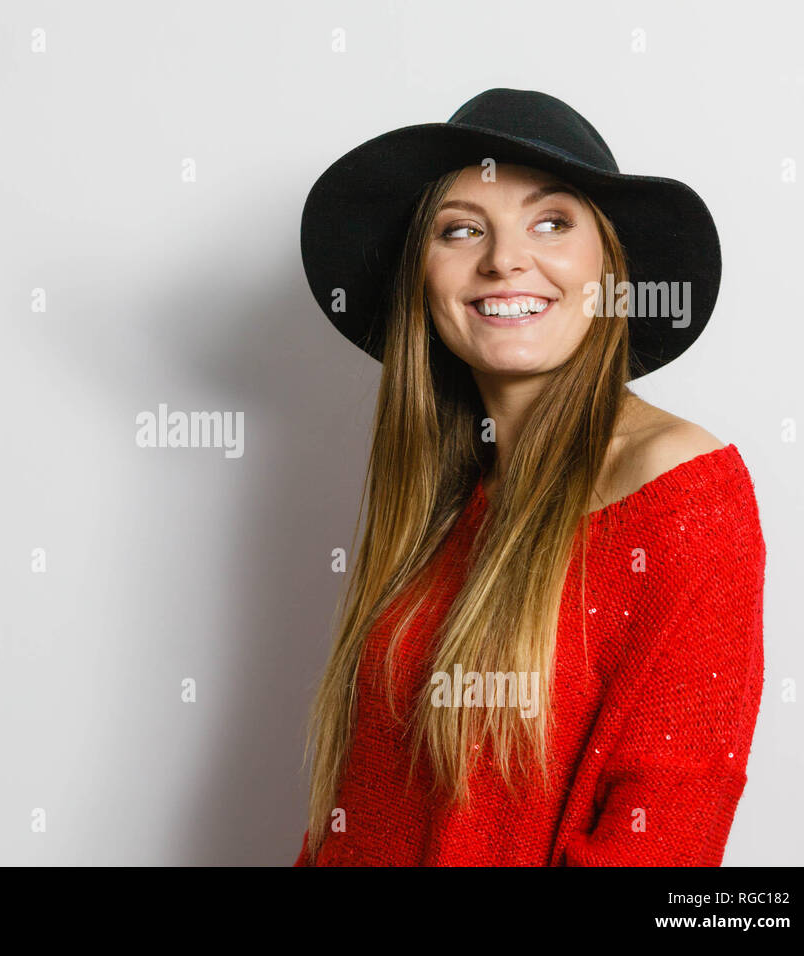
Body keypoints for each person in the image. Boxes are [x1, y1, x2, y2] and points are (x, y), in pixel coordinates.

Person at [293, 89, 766, 865]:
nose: (505, 259)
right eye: (461, 229)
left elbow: (662, 840)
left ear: (609, 264)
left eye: (551, 221)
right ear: (422, 277)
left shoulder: (682, 497)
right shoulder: (445, 500)